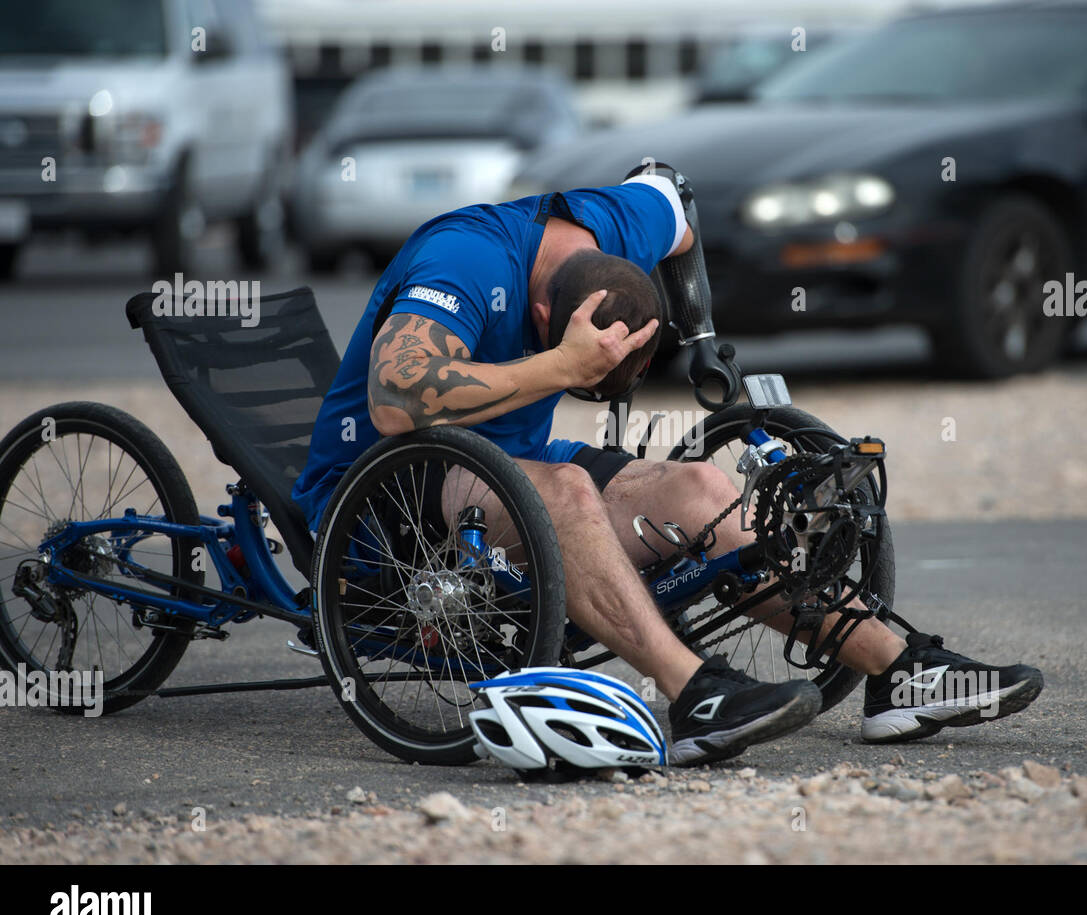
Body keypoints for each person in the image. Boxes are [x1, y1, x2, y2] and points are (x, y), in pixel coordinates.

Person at [293, 162, 1042, 765]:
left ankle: (898, 670)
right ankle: (693, 693)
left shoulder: (616, 226)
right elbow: (396, 398)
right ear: (555, 320)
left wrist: (700, 332)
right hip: (385, 490)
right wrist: (560, 368)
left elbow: (672, 193)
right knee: (568, 494)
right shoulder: (464, 258)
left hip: (506, 461)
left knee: (701, 488)